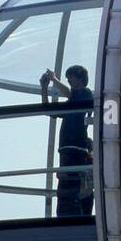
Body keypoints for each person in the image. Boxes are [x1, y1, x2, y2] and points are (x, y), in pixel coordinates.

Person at [41, 64, 94, 216]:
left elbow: (71, 94)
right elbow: (48, 111)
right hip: (67, 148)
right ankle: (68, 208)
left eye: (72, 78)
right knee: (67, 179)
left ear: (81, 79)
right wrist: (44, 88)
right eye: (68, 78)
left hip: (76, 148)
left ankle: (74, 207)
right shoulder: (72, 102)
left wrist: (53, 79)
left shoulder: (85, 94)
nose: (70, 81)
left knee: (71, 178)